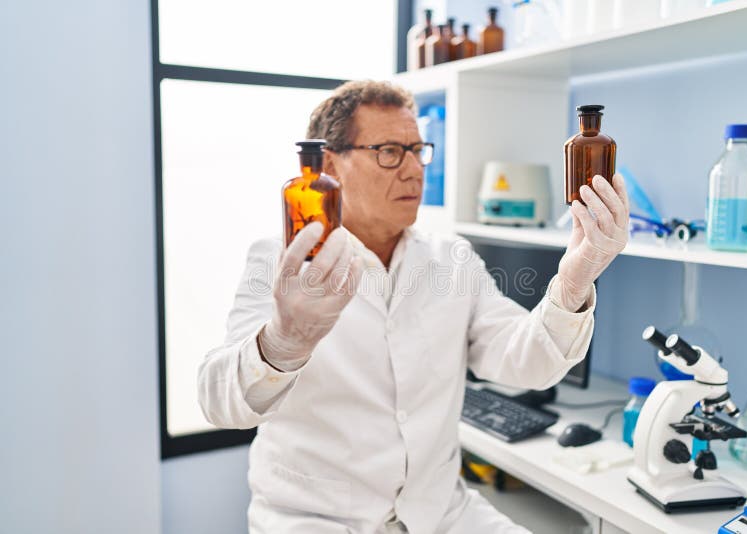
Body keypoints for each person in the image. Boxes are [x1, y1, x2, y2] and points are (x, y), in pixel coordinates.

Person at [198, 80, 630, 533]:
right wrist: (284, 342)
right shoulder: (277, 259)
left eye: (417, 150)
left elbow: (528, 361)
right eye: (388, 151)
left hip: (440, 516)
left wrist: (577, 276)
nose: (413, 171)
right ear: (330, 165)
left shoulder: (452, 260)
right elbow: (223, 404)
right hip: (318, 521)